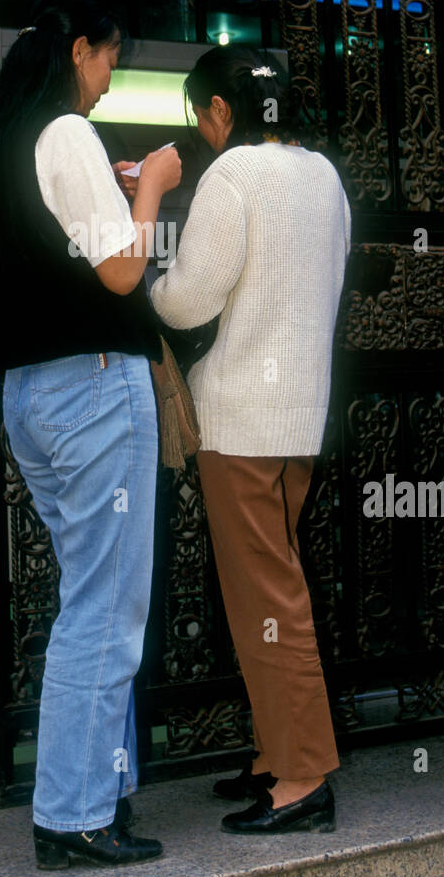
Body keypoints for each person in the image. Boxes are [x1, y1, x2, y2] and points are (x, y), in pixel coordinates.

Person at [0, 0, 181, 869]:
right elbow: (125, 272)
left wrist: (116, 195)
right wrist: (153, 188)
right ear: (79, 50)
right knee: (106, 605)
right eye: (110, 59)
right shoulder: (67, 131)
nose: (110, 81)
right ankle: (75, 816)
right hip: (93, 386)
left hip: (30, 396)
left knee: (90, 596)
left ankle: (100, 796)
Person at [150, 44, 350, 834]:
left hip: (240, 421)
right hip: (300, 417)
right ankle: (276, 757)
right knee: (274, 592)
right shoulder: (324, 176)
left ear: (220, 112)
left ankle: (303, 780)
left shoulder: (232, 177)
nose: (202, 130)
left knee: (269, 603)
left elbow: (191, 299)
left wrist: (150, 286)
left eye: (201, 115)